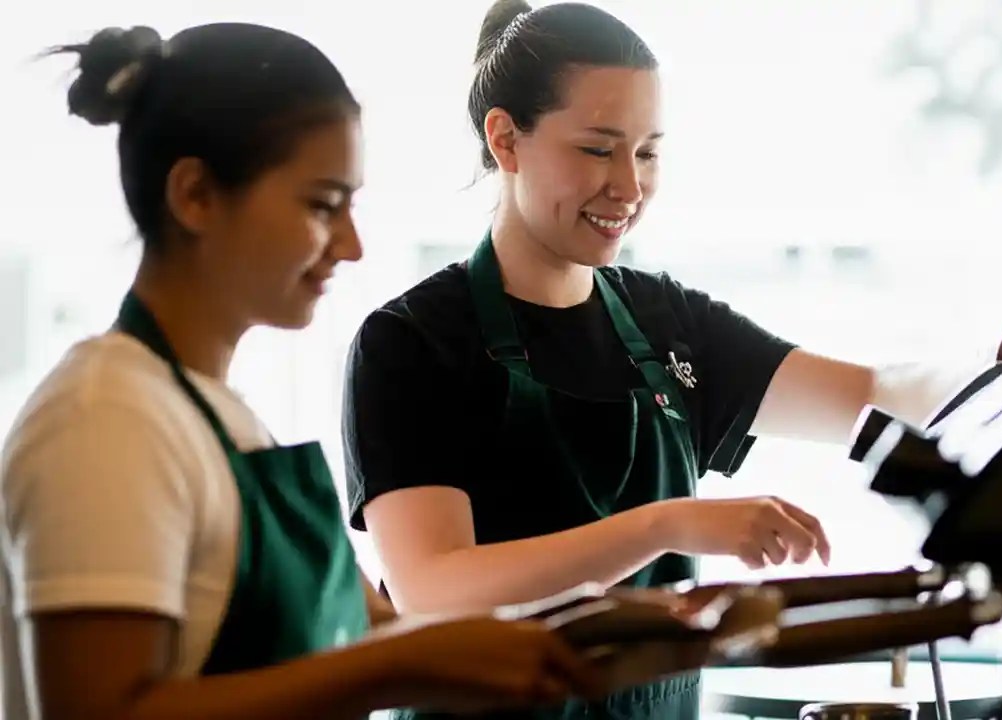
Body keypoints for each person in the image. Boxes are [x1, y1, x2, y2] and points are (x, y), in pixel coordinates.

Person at [342, 2, 982, 718]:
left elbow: (871, 392)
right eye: (598, 149)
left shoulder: (667, 323)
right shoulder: (412, 342)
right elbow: (434, 592)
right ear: (506, 139)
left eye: (647, 153)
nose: (629, 186)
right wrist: (665, 525)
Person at [0, 22, 607, 720]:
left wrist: (606, 633)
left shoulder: (220, 420)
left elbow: (381, 633)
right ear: (195, 195)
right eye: (322, 205)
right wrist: (399, 666)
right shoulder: (105, 421)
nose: (351, 245)